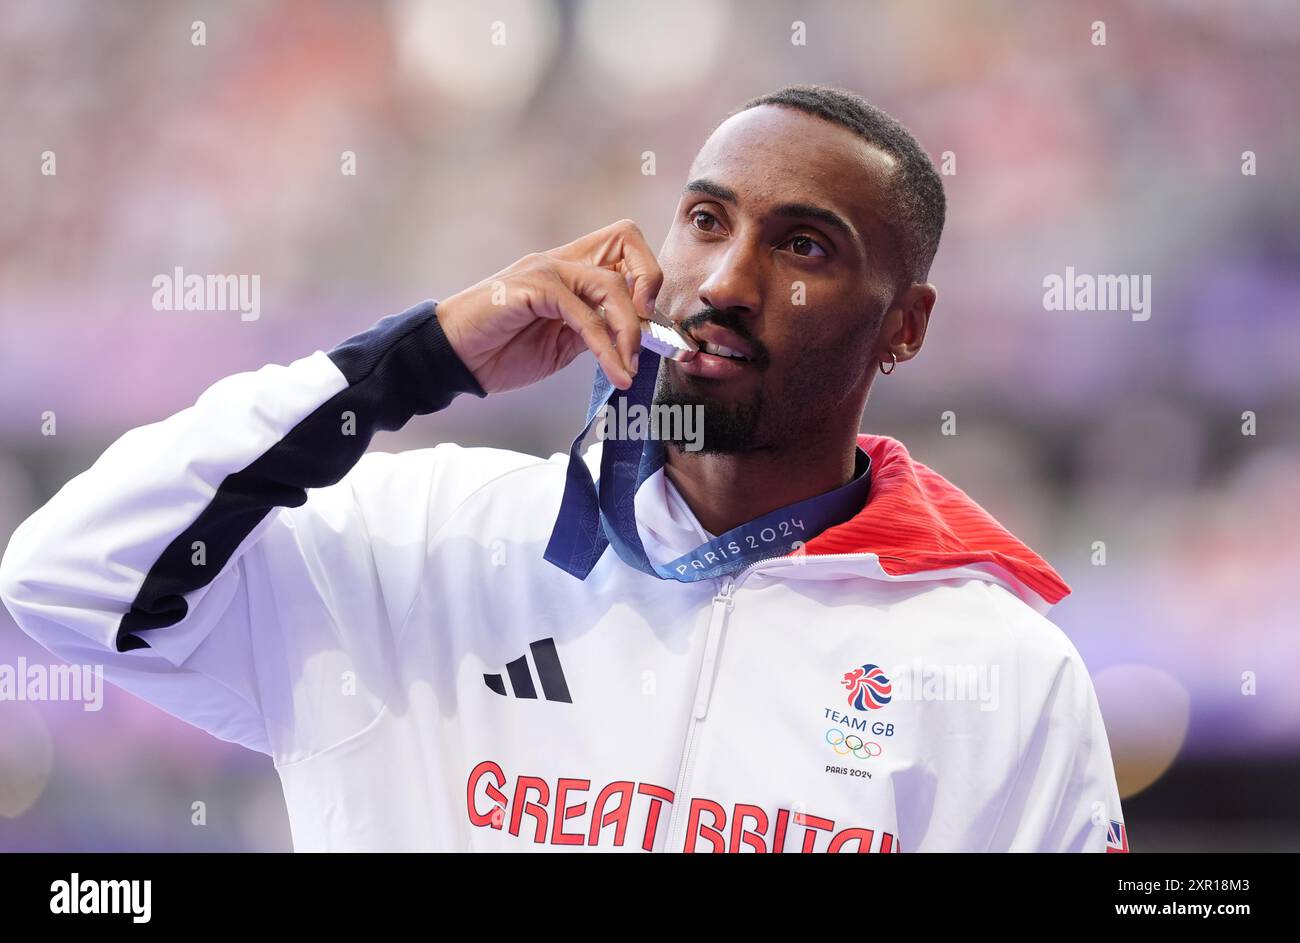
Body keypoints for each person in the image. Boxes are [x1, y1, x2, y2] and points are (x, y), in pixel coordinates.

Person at [0, 84, 1126, 852]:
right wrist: (412, 361)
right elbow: (66, 578)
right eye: (703, 219)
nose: (725, 280)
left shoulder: (994, 668)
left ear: (905, 327)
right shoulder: (419, 542)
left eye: (802, 244)